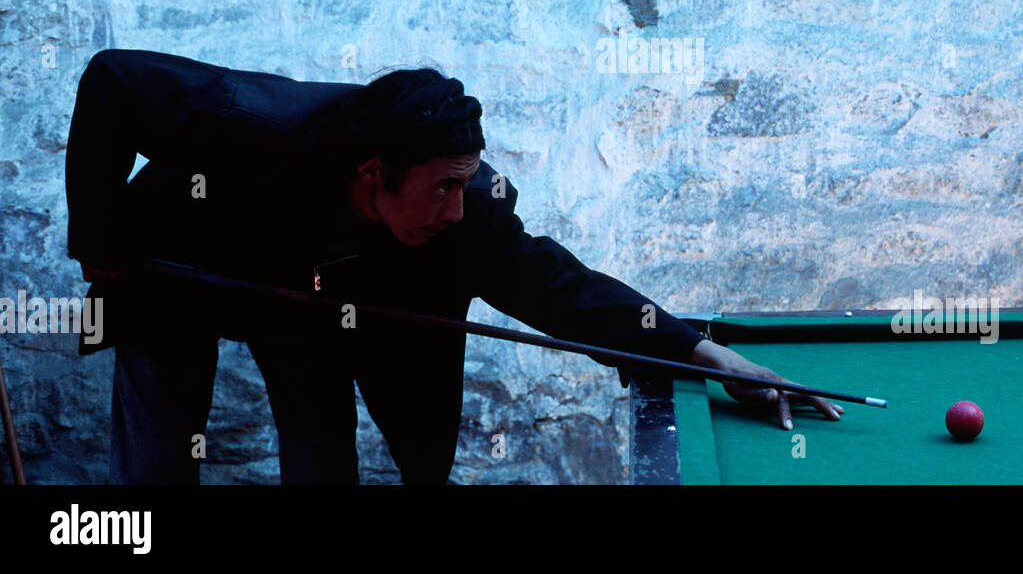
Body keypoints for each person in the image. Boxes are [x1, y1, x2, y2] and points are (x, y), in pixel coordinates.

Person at [66, 48, 842, 484]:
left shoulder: (464, 214)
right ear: (373, 173)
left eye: (465, 183)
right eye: (442, 187)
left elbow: (559, 287)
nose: (457, 208)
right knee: (161, 461)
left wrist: (703, 351)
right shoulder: (252, 123)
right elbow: (111, 81)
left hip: (309, 298)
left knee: (323, 465)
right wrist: (100, 250)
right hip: (173, 261)